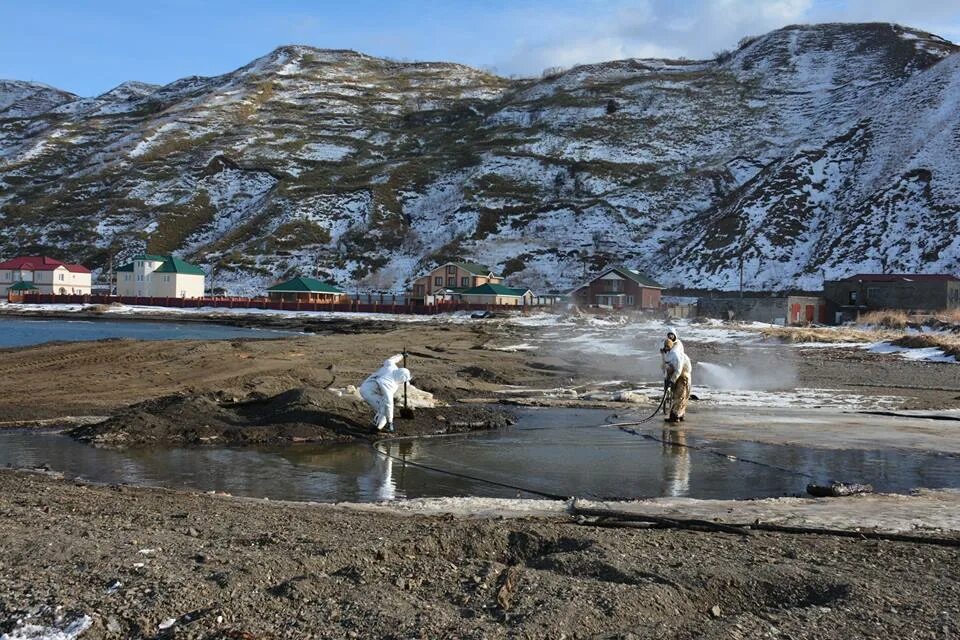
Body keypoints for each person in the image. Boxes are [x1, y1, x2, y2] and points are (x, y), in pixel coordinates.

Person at [358, 354, 411, 433]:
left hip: (368, 386)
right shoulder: (389, 384)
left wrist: (401, 355)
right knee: (384, 408)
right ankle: (375, 428)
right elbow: (389, 403)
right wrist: (390, 421)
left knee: (384, 407)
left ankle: (380, 425)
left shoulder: (391, 367)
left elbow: (391, 360)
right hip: (367, 392)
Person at [661, 337, 692, 423]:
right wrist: (667, 379)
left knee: (680, 395)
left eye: (667, 347)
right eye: (665, 347)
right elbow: (665, 367)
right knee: (676, 395)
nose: (666, 348)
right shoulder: (668, 354)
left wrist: (672, 380)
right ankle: (679, 414)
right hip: (676, 374)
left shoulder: (676, 354)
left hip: (683, 375)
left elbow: (678, 369)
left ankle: (675, 416)